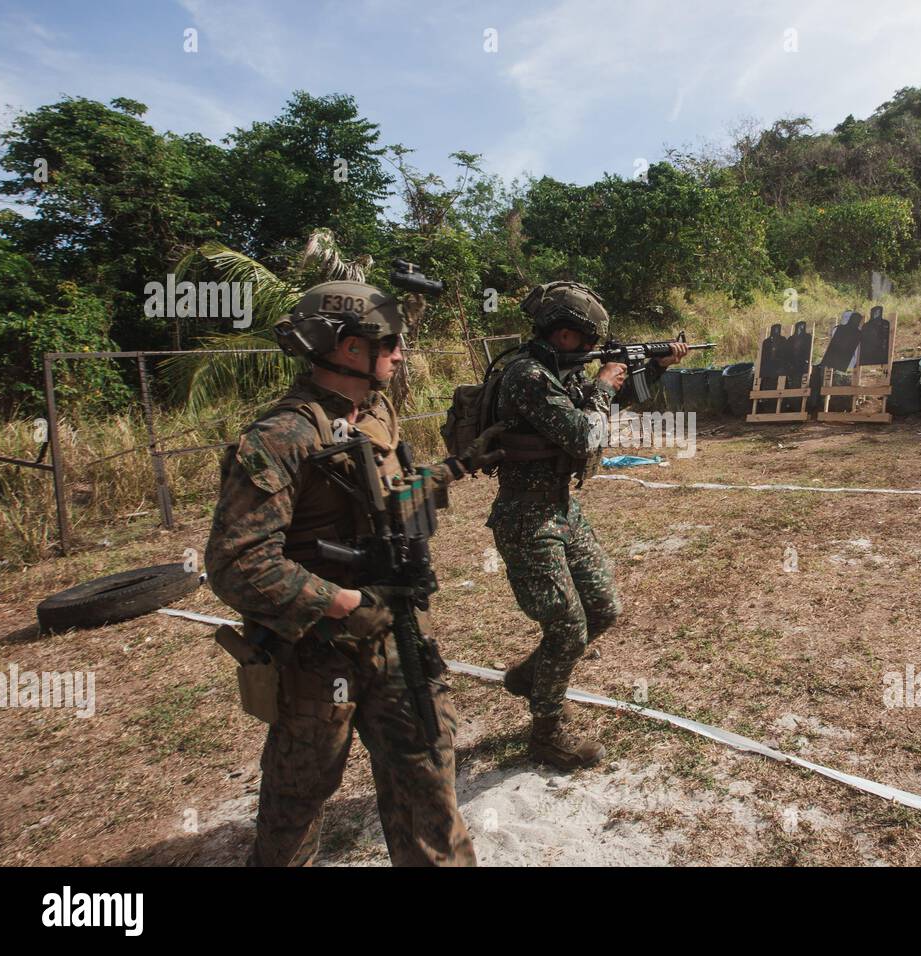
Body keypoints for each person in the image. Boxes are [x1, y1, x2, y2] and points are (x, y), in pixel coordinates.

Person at [206, 279, 491, 866]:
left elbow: (388, 501)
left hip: (397, 638)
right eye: (390, 344)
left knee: (428, 779)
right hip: (317, 655)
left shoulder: (374, 413)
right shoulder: (281, 436)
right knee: (297, 799)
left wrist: (453, 469)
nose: (401, 355)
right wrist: (340, 602)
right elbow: (238, 562)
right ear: (347, 348)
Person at [487, 281, 689, 770]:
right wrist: (602, 384)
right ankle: (548, 732)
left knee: (602, 609)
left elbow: (614, 409)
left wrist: (654, 367)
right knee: (568, 629)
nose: (593, 349)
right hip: (527, 516)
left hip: (561, 507)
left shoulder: (560, 371)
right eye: (587, 340)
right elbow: (583, 434)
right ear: (562, 334)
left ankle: (529, 677)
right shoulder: (527, 375)